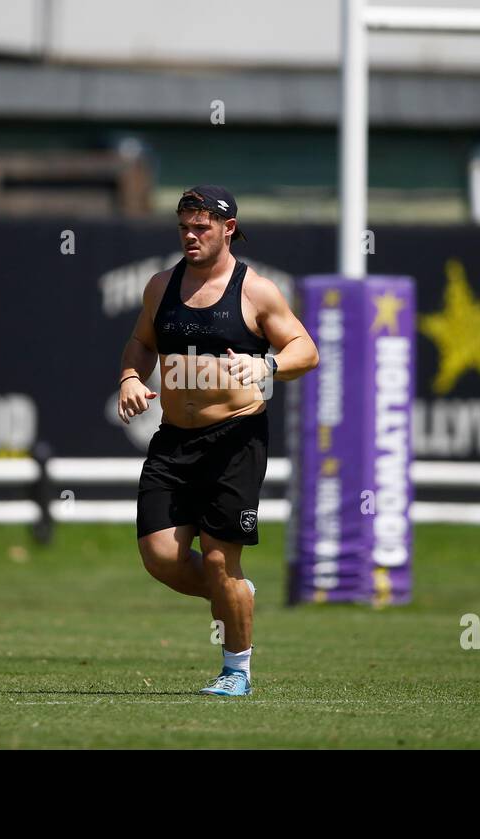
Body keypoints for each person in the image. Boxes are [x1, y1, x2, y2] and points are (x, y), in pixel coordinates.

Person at [117, 185, 319, 696]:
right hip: (173, 440)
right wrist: (130, 379)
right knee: (160, 556)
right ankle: (235, 597)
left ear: (228, 229)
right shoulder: (161, 285)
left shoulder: (256, 291)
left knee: (218, 558)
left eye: (201, 226)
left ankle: (236, 671)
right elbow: (142, 342)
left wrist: (266, 363)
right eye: (184, 225)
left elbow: (306, 350)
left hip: (235, 439)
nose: (190, 235)